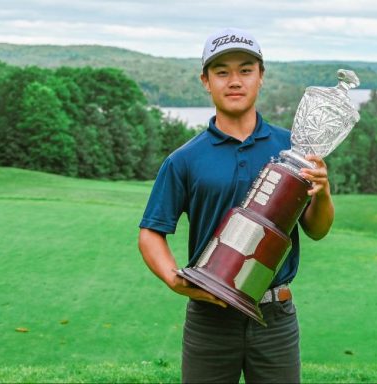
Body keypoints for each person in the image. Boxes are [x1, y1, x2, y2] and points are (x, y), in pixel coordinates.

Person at [138, 27, 334, 383]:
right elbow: (151, 232)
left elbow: (318, 230)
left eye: (245, 70)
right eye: (222, 71)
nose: (234, 80)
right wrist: (173, 279)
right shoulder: (185, 159)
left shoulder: (294, 148)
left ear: (260, 77)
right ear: (206, 81)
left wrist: (322, 190)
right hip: (209, 316)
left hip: (275, 315)